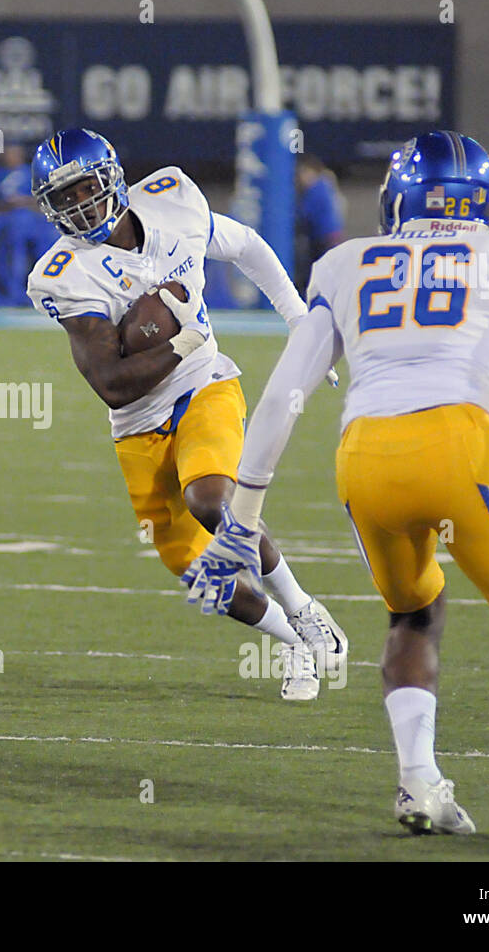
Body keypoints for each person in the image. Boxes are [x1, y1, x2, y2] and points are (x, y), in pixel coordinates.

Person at [184, 131, 489, 833]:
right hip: (458, 444)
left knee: (413, 615)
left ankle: (418, 782)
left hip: (364, 457)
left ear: (395, 198)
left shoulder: (347, 262)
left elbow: (284, 393)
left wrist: (241, 517)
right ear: (485, 200)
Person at [25, 128, 347, 702]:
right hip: (138, 424)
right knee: (197, 572)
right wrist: (181, 341)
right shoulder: (64, 274)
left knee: (210, 501)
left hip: (206, 389)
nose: (77, 205)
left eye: (83, 189)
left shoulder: (173, 200)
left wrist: (301, 322)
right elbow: (112, 387)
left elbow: (246, 245)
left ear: (112, 178)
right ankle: (290, 641)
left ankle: (305, 607)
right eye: (63, 198)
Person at [294, 154, 345, 293]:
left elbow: (306, 214)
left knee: (320, 272)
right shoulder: (325, 185)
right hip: (328, 235)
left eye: (305, 172)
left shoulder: (317, 189)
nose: (301, 177)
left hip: (324, 238)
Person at [0, 145, 34, 211]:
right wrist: (3, 204)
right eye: (9, 154)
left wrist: (24, 201)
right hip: (2, 213)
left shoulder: (31, 173)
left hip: (28, 213)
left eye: (15, 154)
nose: (12, 157)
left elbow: (40, 198)